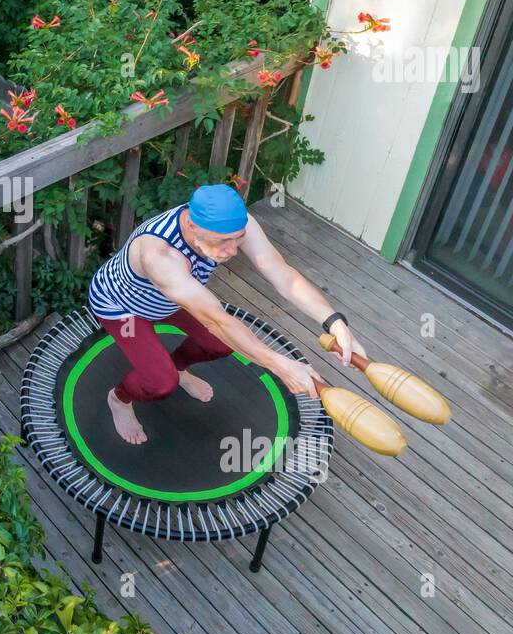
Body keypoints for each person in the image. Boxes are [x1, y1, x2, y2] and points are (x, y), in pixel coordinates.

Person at [87, 184, 364, 445]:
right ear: (192, 227)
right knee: (161, 382)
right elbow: (217, 320)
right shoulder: (160, 254)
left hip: (171, 300)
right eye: (223, 242)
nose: (233, 250)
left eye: (238, 239)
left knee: (218, 345)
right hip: (122, 308)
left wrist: (334, 321)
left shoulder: (236, 224)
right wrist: (279, 365)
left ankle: (180, 368)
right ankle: (119, 398)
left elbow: (284, 277)